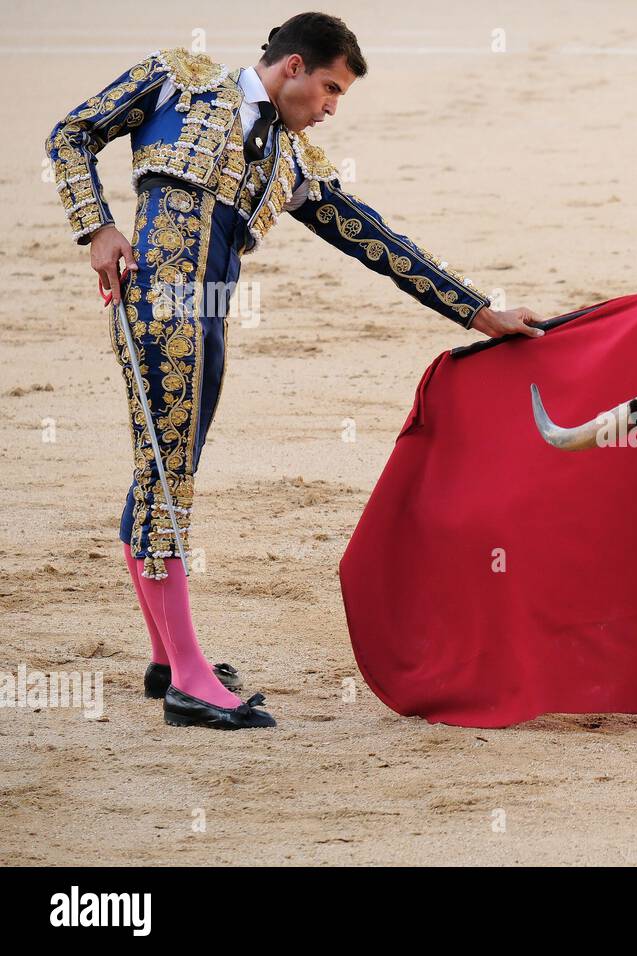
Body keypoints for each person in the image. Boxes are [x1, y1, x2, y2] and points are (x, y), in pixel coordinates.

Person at [44, 12, 545, 730]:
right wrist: (97, 227)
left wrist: (477, 311)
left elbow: (374, 238)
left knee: (163, 469)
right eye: (331, 89)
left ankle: (168, 658)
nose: (332, 108)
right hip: (158, 303)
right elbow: (71, 134)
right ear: (293, 69)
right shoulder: (177, 79)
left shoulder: (293, 160)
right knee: (166, 473)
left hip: (208, 315)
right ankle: (187, 679)